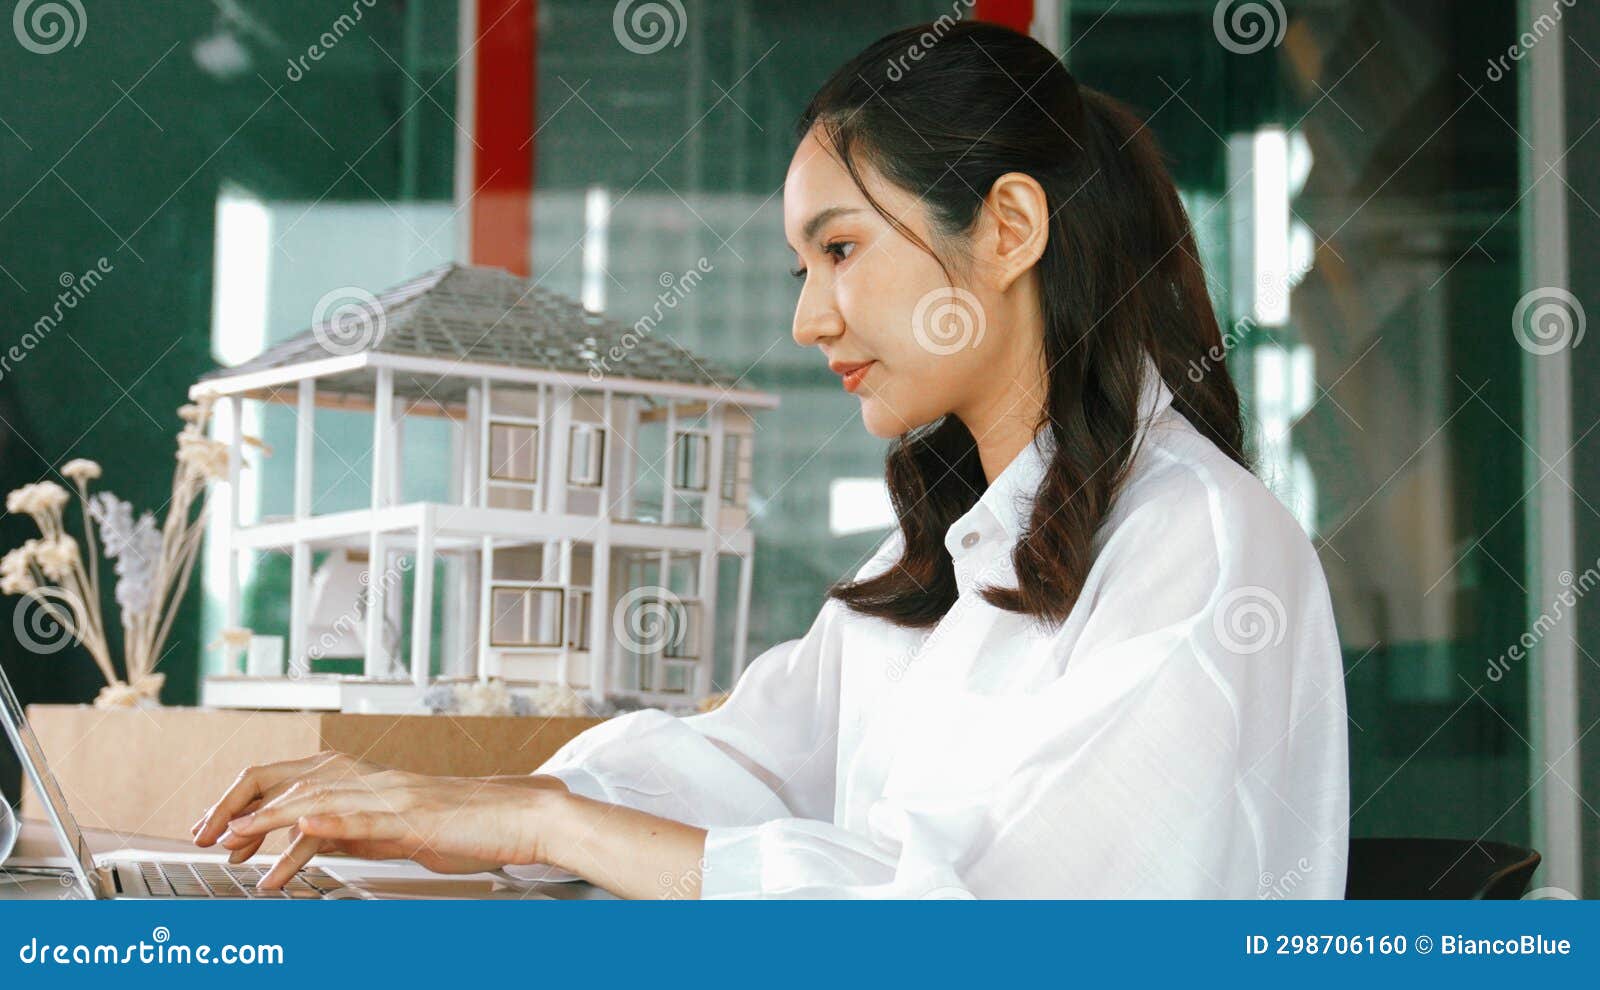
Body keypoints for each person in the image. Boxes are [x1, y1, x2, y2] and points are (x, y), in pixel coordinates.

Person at [190, 20, 1348, 899]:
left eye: (841, 248)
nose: (809, 320)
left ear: (1007, 231)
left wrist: (537, 828)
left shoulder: (1195, 541)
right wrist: (469, 810)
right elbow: (737, 767)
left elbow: (982, 919)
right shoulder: (949, 552)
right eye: (804, 269)